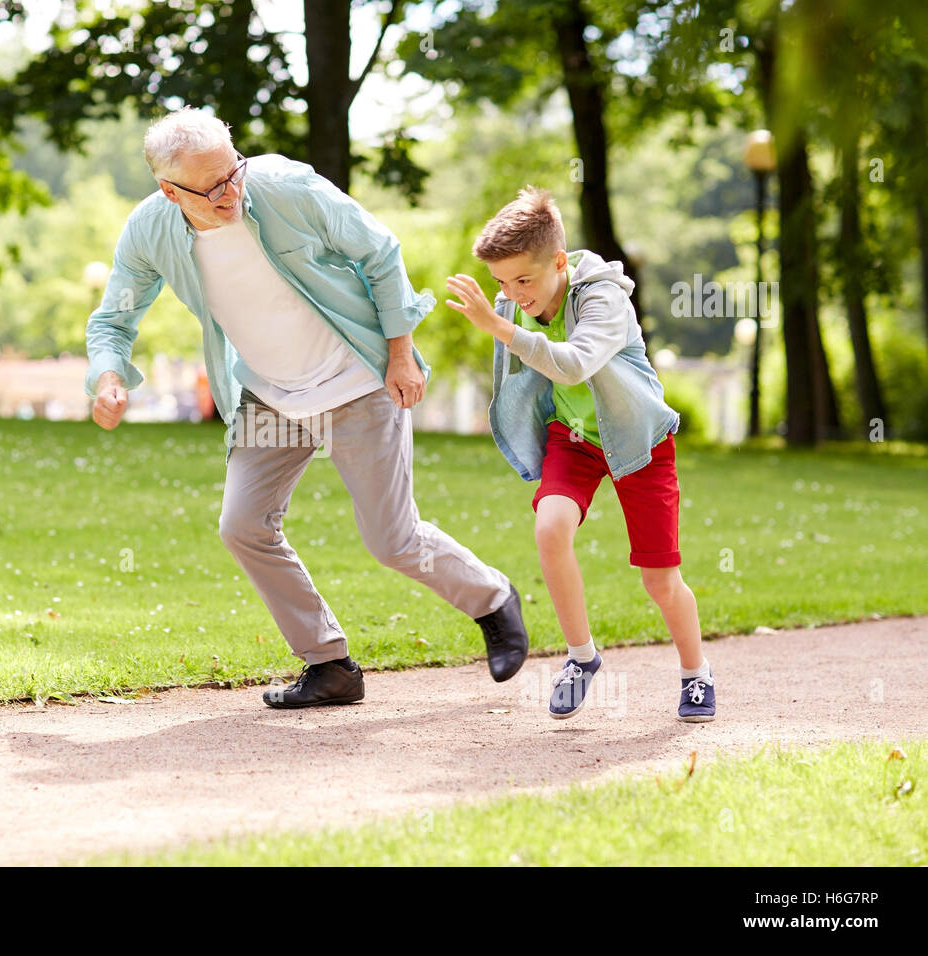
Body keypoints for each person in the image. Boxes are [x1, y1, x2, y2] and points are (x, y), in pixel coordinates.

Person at [86, 108, 530, 709]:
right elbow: (114, 318)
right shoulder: (149, 230)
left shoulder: (286, 186)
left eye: (233, 173)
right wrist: (109, 377)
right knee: (243, 526)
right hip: (270, 394)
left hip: (357, 380)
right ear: (170, 191)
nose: (231, 192)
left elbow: (379, 251)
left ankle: (493, 599)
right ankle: (330, 666)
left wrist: (401, 353)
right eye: (211, 188)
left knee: (392, 539)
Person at [444, 186, 715, 722]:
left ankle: (696, 673)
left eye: (525, 279)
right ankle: (581, 658)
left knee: (659, 579)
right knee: (550, 529)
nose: (514, 294)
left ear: (560, 261)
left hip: (639, 442)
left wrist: (500, 327)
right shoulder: (512, 303)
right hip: (574, 438)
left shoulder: (602, 298)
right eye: (502, 282)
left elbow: (573, 365)